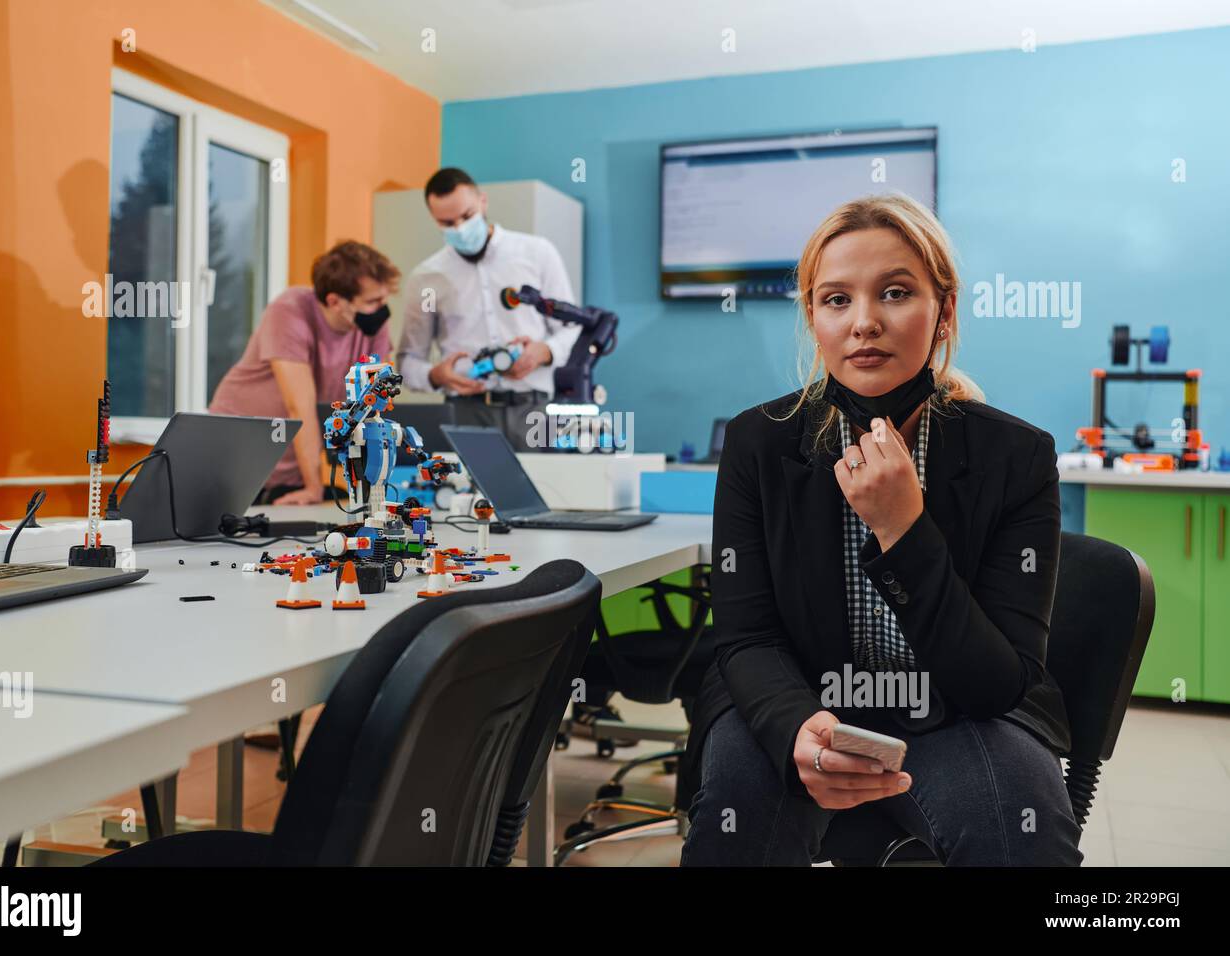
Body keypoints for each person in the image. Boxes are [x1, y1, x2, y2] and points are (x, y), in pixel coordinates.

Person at [679, 193, 1083, 866]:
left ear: (944, 310)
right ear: (813, 317)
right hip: (802, 694)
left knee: (1020, 828)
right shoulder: (759, 443)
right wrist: (797, 727)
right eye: (836, 299)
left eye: (895, 293)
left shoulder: (1017, 457)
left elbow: (997, 681)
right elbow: (746, 637)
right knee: (736, 817)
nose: (863, 322)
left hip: (959, 708)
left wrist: (904, 529)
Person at [396, 168, 580, 450]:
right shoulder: (427, 279)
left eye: (467, 216)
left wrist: (543, 352)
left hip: (533, 409)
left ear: (483, 202)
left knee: (543, 490)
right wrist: (436, 376)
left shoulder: (537, 253)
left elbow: (571, 329)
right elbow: (408, 361)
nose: (459, 228)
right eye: (447, 222)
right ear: (435, 220)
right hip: (465, 411)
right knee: (464, 495)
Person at [209, 241, 399, 505]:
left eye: (384, 298)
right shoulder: (289, 311)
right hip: (232, 462)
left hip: (289, 471)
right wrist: (313, 488)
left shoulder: (374, 324)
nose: (383, 308)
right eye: (373, 301)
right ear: (335, 301)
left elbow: (374, 405)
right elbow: (299, 407)